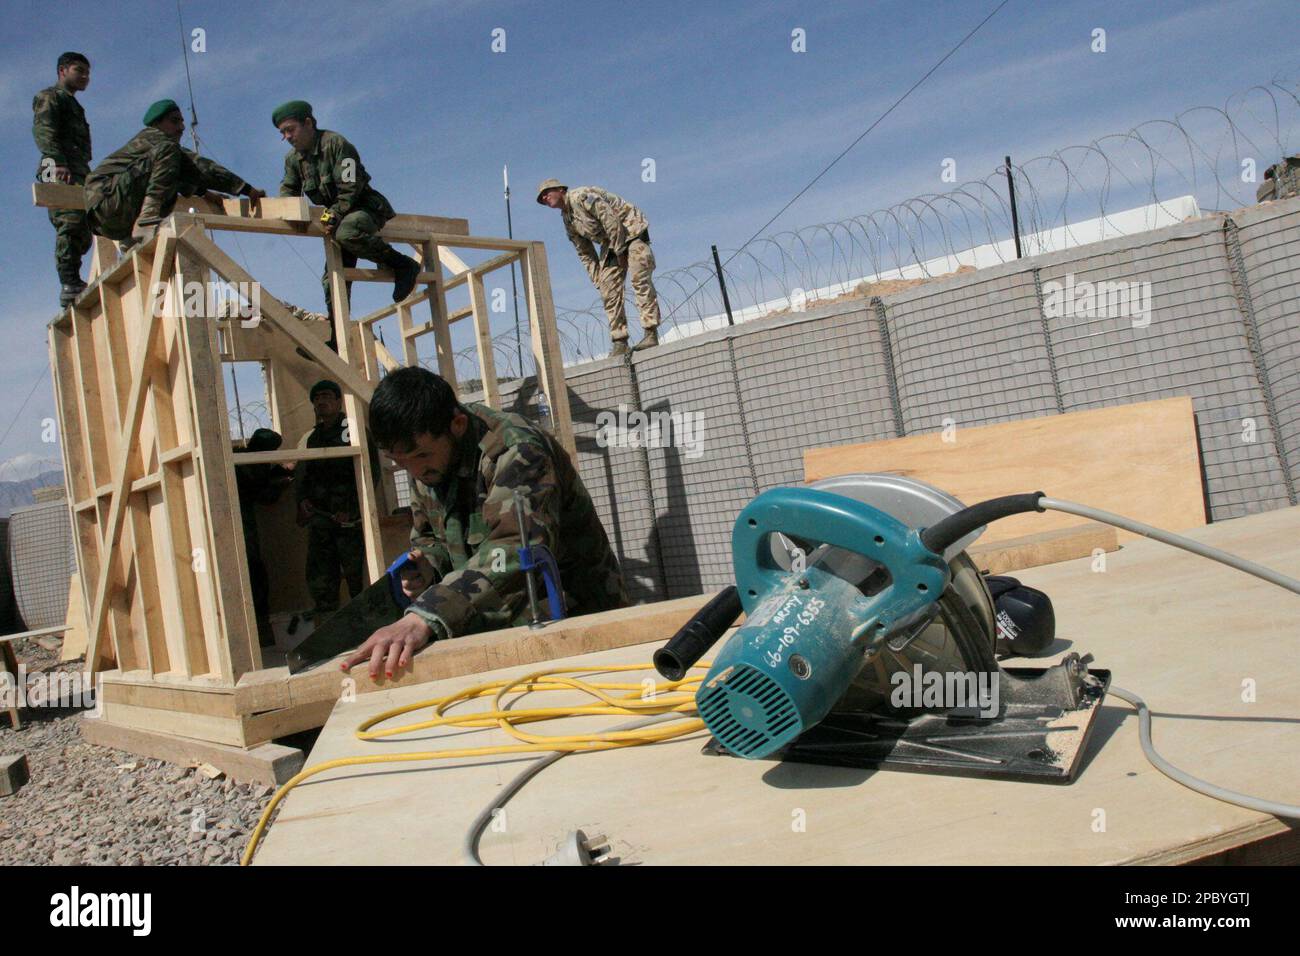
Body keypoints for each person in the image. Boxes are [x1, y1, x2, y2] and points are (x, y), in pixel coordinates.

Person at [342, 367, 628, 677]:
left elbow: (516, 549)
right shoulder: (425, 457)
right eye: (400, 462)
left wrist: (425, 615)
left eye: (421, 455)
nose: (413, 470)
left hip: (578, 623)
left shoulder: (516, 450)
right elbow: (430, 537)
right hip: (504, 633)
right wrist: (428, 564)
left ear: (458, 425)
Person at [272, 100, 420, 342]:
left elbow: (350, 186)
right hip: (338, 219)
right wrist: (289, 211)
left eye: (290, 130)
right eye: (282, 133)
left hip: (363, 208)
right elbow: (288, 188)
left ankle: (402, 264)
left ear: (308, 123)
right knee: (332, 278)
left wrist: (335, 214)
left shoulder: (337, 144)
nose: (287, 137)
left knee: (347, 232)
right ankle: (338, 338)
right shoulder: (293, 160)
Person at [83, 99, 265, 246]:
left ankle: (129, 236)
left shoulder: (149, 153)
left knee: (171, 169)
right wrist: (246, 189)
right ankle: (146, 220)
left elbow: (170, 175)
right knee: (170, 152)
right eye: (175, 121)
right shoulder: (156, 140)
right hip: (109, 200)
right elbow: (200, 167)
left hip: (107, 218)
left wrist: (204, 193)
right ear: (157, 123)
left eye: (182, 122)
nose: (182, 127)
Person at [537, 179, 660, 356]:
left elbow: (610, 219)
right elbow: (584, 252)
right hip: (610, 242)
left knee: (639, 278)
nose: (545, 198)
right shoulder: (568, 220)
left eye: (547, 192)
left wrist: (620, 252)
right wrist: (598, 279)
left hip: (630, 231)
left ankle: (650, 332)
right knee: (608, 290)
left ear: (560, 189)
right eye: (542, 198)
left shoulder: (581, 196)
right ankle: (620, 340)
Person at [294, 380, 365, 616]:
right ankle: (327, 617)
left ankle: (364, 619)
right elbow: (305, 473)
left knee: (357, 573)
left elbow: (367, 471)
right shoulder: (314, 437)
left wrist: (353, 509)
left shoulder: (351, 430)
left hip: (348, 518)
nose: (321, 402)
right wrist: (303, 499)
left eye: (326, 396)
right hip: (322, 516)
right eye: (317, 398)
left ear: (337, 401)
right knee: (322, 572)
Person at [33, 52, 93, 308]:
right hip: (55, 166)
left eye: (87, 72)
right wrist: (56, 162)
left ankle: (74, 281)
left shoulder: (73, 104)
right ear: (62, 71)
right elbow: (44, 130)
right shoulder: (50, 97)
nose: (85, 76)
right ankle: (69, 283)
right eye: (79, 70)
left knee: (84, 227)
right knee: (69, 221)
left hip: (76, 169)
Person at [233, 428, 292, 645]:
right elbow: (261, 493)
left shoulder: (244, 460)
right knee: (253, 576)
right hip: (239, 531)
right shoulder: (244, 464)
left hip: (243, 530)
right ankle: (257, 633)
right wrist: (279, 483)